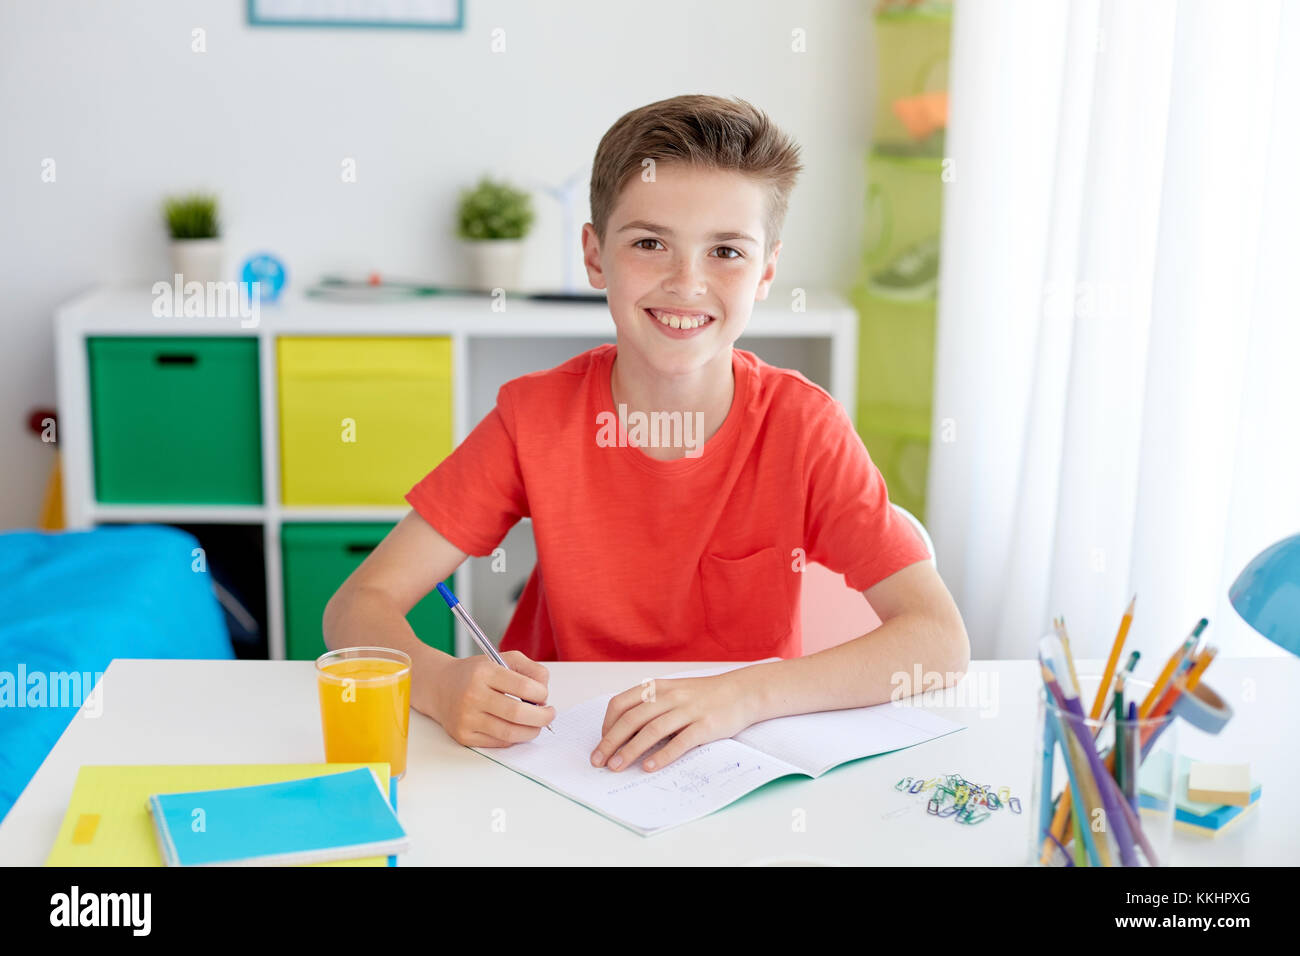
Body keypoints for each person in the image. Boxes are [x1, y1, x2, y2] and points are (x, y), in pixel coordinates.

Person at [324, 94, 970, 775]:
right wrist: (436, 681)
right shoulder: (533, 418)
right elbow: (355, 606)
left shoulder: (803, 429)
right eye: (649, 243)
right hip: (557, 761)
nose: (687, 283)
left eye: (726, 250)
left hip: (732, 757)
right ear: (595, 256)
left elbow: (937, 640)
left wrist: (740, 695)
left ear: (767, 271)